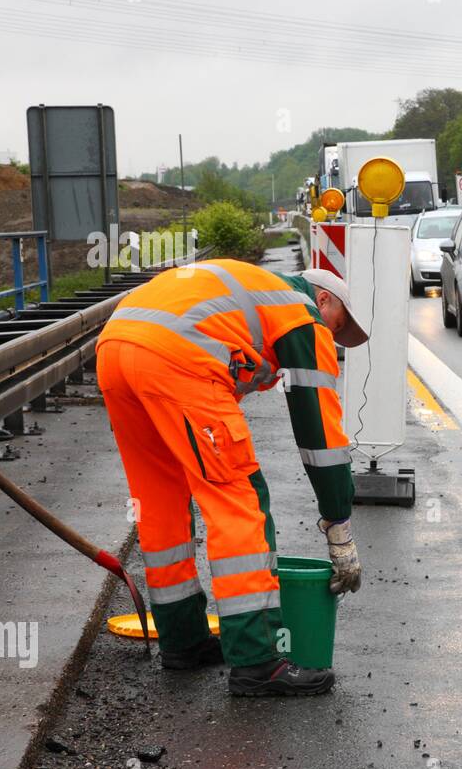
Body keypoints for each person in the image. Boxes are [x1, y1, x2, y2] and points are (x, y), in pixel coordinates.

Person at [96, 260, 366, 696]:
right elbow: (320, 435)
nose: (332, 338)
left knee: (160, 502)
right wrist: (339, 525)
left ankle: (183, 642)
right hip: (175, 357)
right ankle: (258, 661)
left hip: (115, 349)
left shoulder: (246, 295)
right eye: (337, 326)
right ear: (323, 300)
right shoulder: (300, 311)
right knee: (239, 498)